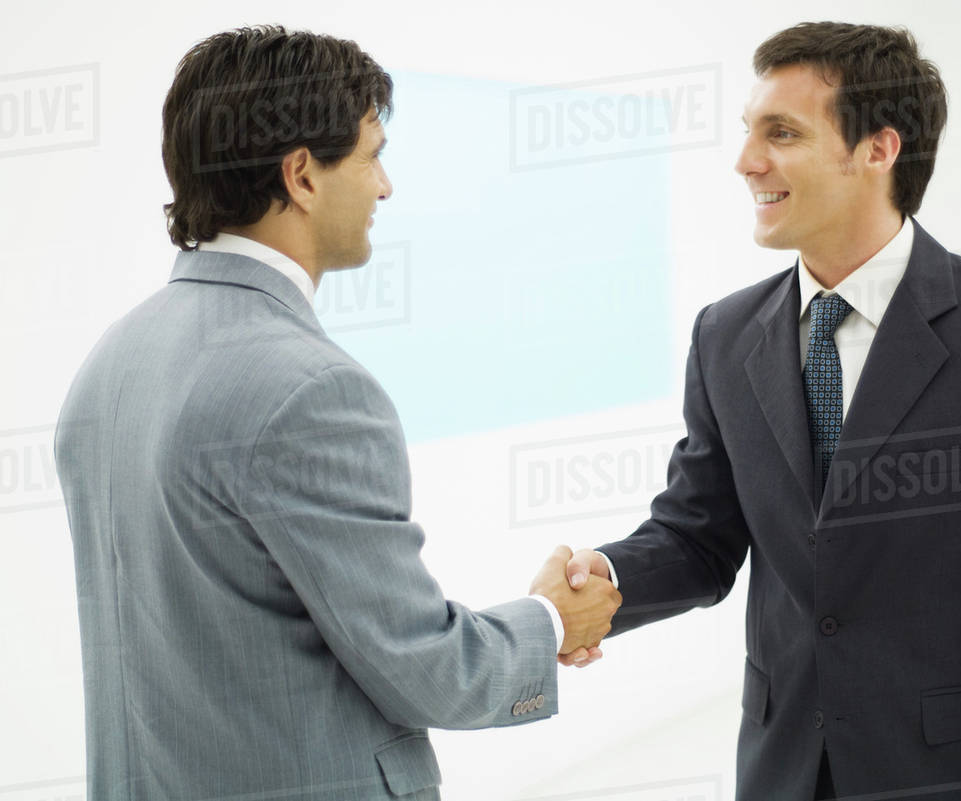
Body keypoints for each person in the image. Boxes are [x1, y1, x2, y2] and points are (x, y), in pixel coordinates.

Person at [563, 21, 961, 801]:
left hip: (957, 776)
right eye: (748, 132)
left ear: (878, 149)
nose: (746, 161)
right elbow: (700, 534)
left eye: (783, 133)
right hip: (785, 768)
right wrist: (610, 574)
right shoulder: (725, 335)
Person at [54, 25, 619, 801]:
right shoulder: (310, 391)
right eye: (371, 154)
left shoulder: (108, 364)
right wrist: (551, 620)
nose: (384, 186)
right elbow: (428, 670)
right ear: (302, 176)